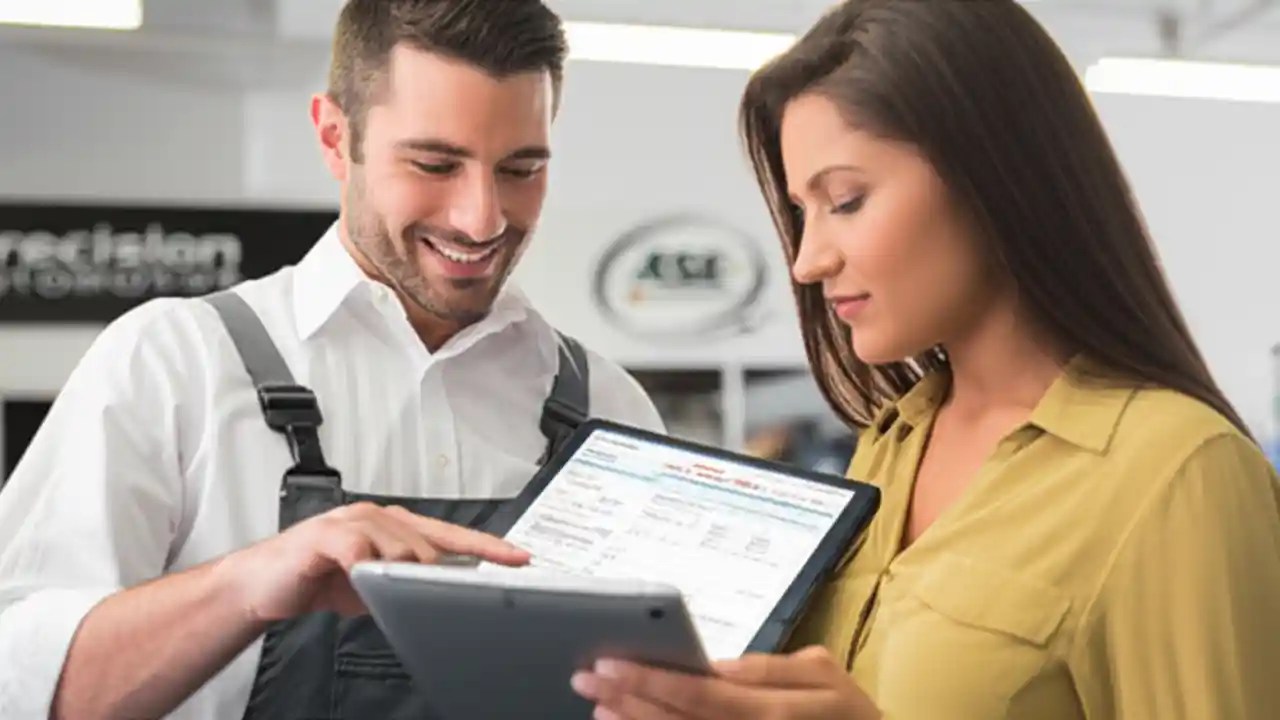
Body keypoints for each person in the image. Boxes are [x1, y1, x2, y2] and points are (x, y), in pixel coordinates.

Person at [571, 1, 1280, 718]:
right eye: (802, 213)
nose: (809, 261)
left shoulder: (1178, 472)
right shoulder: (892, 444)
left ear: (993, 178)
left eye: (846, 201)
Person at [0, 1, 664, 719]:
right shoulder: (173, 364)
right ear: (334, 137)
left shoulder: (609, 410)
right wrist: (244, 587)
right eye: (434, 164)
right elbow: (20, 687)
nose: (482, 219)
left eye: (521, 168)